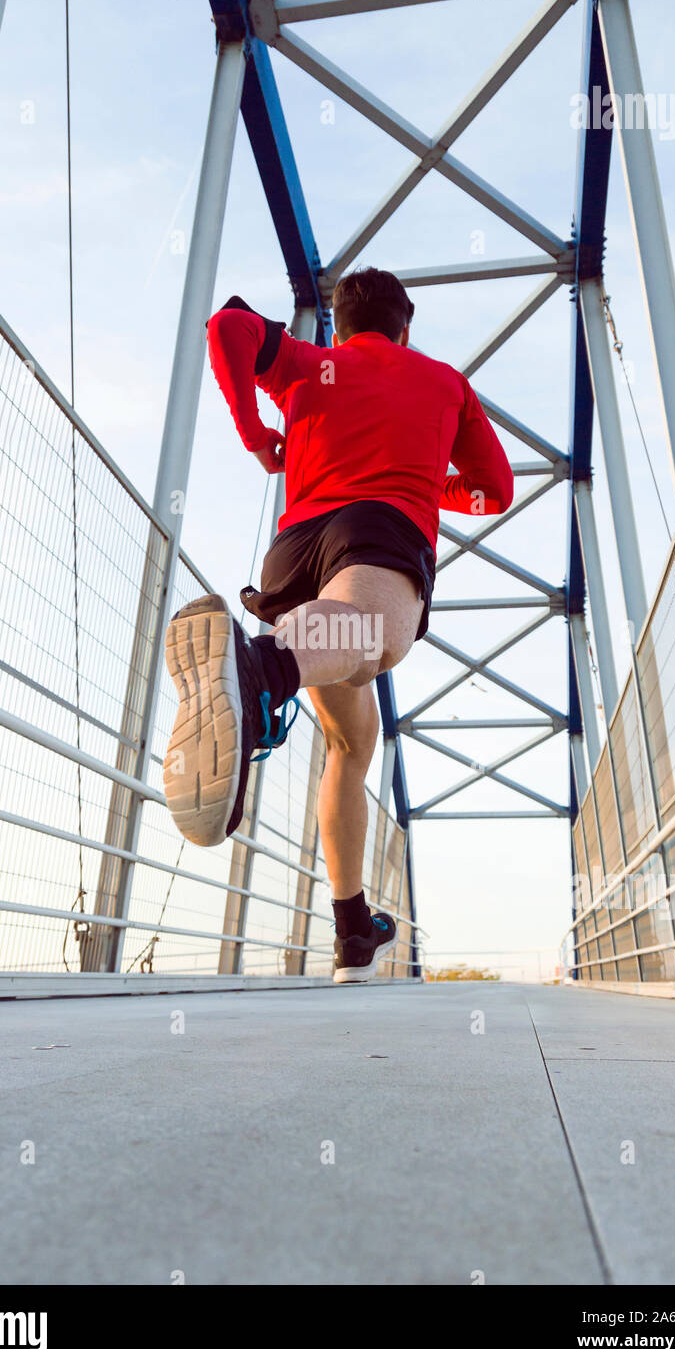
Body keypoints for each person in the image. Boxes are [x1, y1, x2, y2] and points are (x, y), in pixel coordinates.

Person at [163, 268, 513, 983]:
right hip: (376, 529)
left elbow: (227, 327)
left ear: (339, 327)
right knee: (372, 634)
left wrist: (257, 434)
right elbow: (494, 489)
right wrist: (429, 481)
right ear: (404, 329)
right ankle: (258, 671)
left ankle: (353, 925)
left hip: (293, 557)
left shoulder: (311, 364)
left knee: (352, 738)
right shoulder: (444, 382)